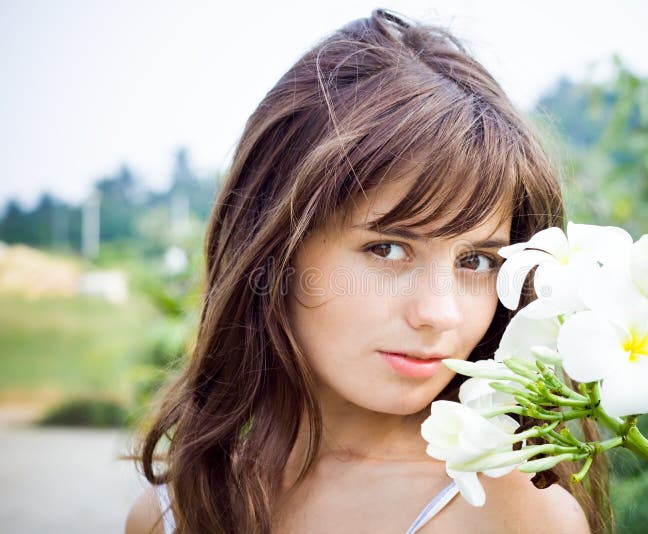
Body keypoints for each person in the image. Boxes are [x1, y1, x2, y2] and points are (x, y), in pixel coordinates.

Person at [125, 8, 608, 533]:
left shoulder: (517, 515)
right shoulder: (175, 511)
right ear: (275, 249)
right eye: (388, 249)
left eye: (476, 261)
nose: (439, 314)